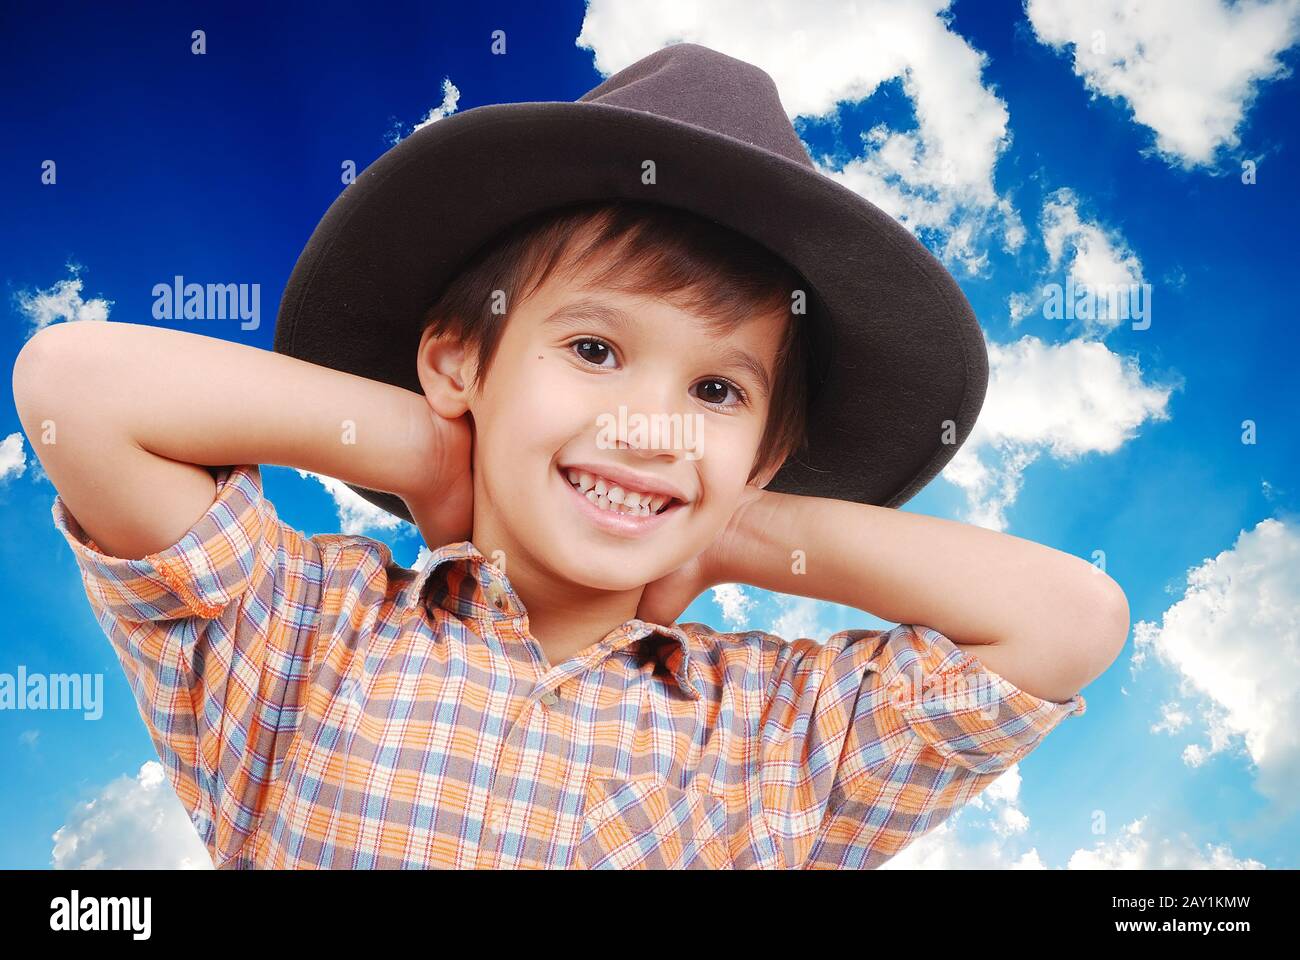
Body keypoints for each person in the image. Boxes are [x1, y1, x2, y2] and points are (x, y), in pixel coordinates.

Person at [15, 43, 1127, 869]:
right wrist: (430, 447)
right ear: (459, 361)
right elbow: (75, 388)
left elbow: (1067, 621)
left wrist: (736, 525)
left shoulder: (774, 738)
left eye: (715, 391)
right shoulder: (295, 630)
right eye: (593, 349)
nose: (652, 426)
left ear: (762, 452)